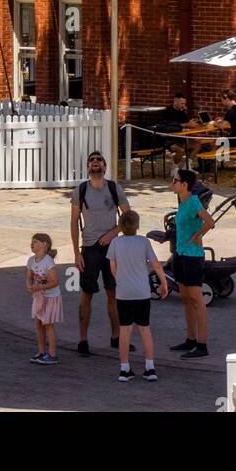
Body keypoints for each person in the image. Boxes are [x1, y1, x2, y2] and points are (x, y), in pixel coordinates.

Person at [70, 150, 130, 355]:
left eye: (99, 160)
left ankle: (116, 337)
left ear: (104, 166)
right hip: (89, 248)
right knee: (87, 293)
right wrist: (76, 253)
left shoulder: (114, 188)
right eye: (91, 160)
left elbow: (128, 218)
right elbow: (73, 221)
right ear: (88, 167)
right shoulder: (80, 190)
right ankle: (83, 340)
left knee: (113, 293)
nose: (95, 163)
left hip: (112, 247)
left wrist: (113, 233)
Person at [107, 210, 168, 382]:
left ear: (121, 226)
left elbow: (113, 268)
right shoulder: (144, 242)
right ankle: (150, 367)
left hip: (123, 293)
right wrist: (164, 282)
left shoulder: (115, 243)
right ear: (137, 225)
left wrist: (120, 279)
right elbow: (156, 265)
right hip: (142, 292)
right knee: (144, 329)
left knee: (125, 330)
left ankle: (124, 368)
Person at [169, 168, 215, 359]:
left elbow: (209, 222)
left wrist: (198, 236)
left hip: (192, 256)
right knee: (186, 297)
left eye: (175, 180)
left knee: (196, 298)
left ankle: (202, 344)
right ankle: (190, 338)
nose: (172, 183)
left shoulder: (194, 201)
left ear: (184, 184)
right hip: (180, 254)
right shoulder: (182, 202)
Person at [26, 232, 62, 365]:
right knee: (39, 324)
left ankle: (52, 354)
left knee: (48, 324)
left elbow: (55, 281)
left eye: (35, 242)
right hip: (39, 297)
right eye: (32, 242)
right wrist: (29, 286)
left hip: (50, 297)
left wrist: (39, 287)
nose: (32, 244)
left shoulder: (48, 262)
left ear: (44, 244)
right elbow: (28, 277)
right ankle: (41, 352)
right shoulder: (31, 261)